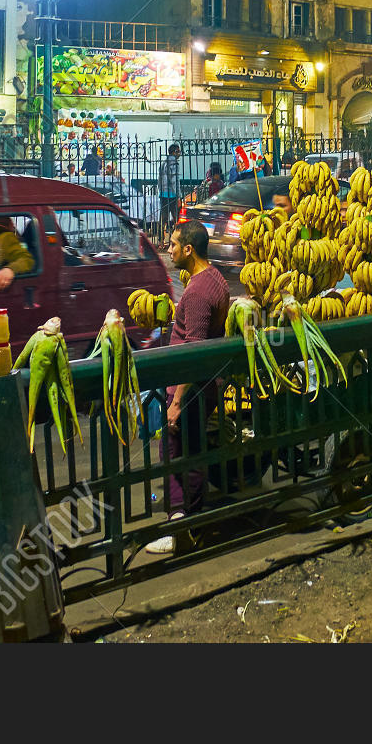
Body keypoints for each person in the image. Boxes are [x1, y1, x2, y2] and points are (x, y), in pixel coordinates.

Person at [148, 222, 229, 555]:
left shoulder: (196, 294)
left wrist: (177, 401)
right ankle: (188, 522)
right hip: (205, 384)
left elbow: (193, 350)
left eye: (173, 245)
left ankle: (181, 524)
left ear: (188, 250)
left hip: (191, 388)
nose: (168, 250)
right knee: (189, 452)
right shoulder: (215, 279)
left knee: (180, 455)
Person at [0, 216, 35, 289]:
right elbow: (27, 260)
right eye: (12, 223)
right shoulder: (7, 237)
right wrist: (10, 269)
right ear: (10, 225)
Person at [158, 144, 183, 235]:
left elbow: (159, 179)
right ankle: (177, 237)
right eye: (178, 151)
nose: (179, 154)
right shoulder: (174, 164)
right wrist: (178, 197)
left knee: (163, 218)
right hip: (172, 195)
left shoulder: (164, 163)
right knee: (177, 218)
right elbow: (174, 181)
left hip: (163, 194)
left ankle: (161, 240)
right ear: (174, 152)